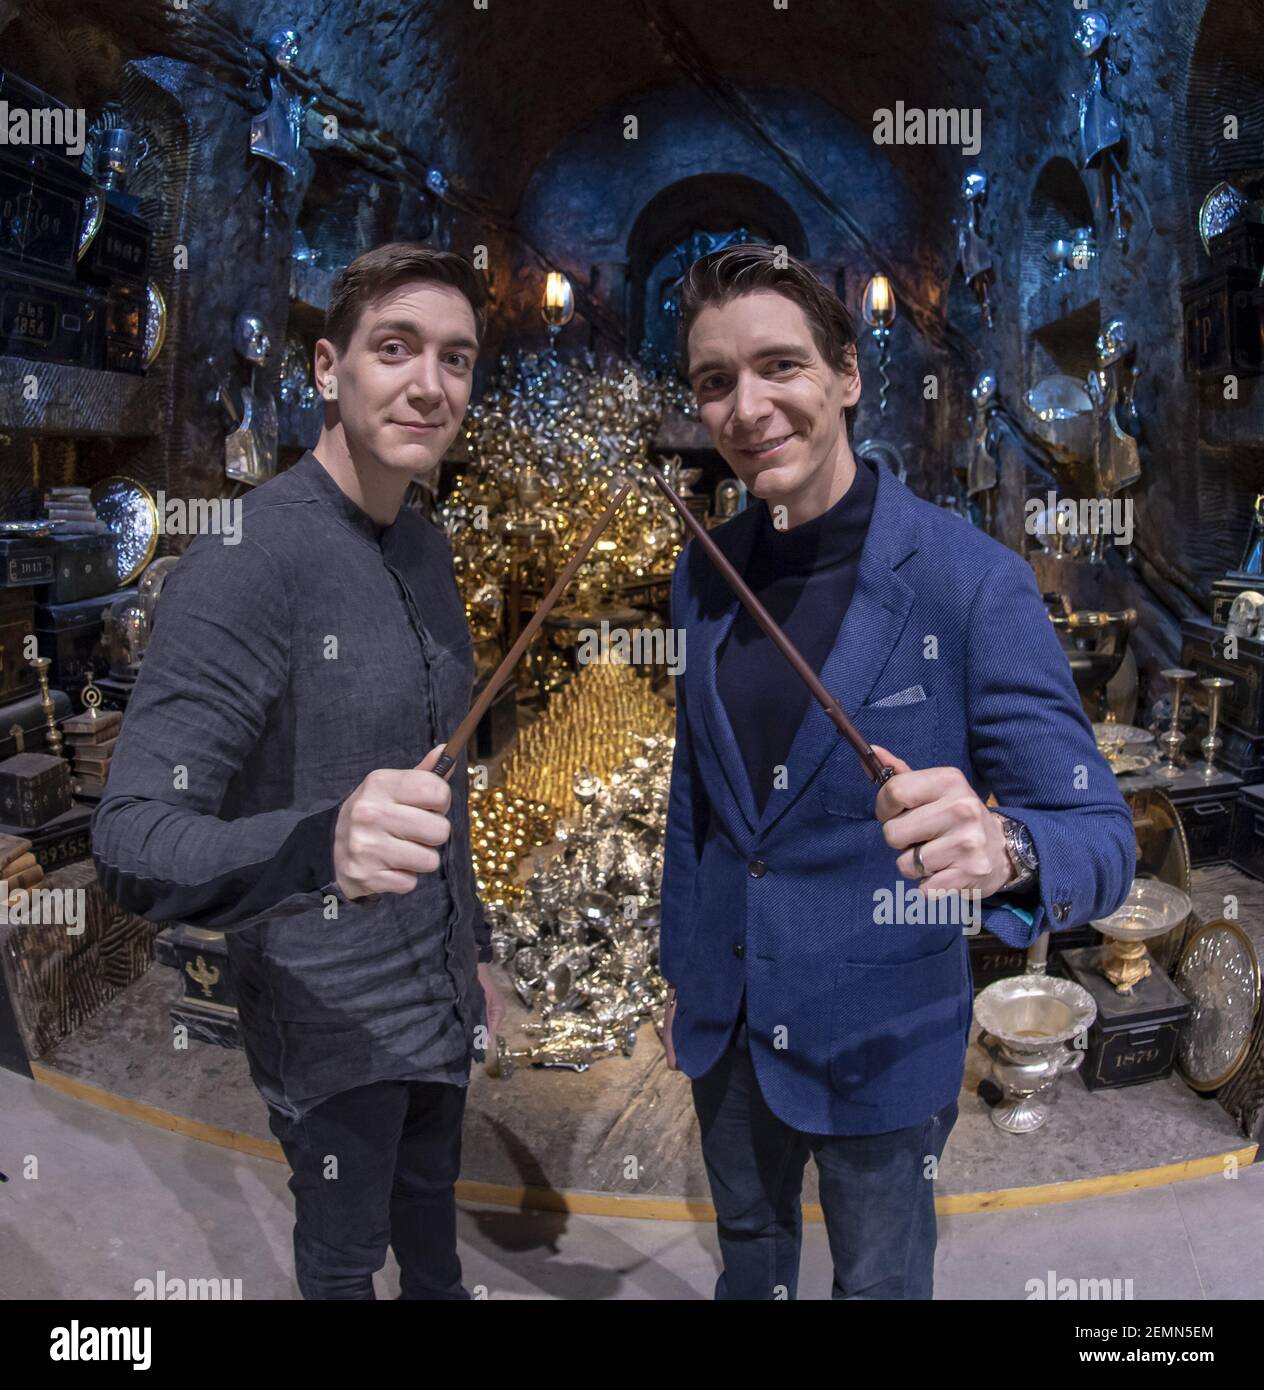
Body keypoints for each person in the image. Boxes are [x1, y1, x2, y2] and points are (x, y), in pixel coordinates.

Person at [658, 244, 1135, 1300]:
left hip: (880, 1038)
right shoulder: (704, 569)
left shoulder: (969, 584)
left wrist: (1004, 845)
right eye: (714, 381)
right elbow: (698, 797)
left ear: (846, 375)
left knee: (876, 1280)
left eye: (779, 366)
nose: (746, 407)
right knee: (751, 1258)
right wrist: (680, 965)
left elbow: (1102, 835)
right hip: (725, 1021)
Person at [91, 242, 506, 1300]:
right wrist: (322, 840)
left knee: (435, 1249)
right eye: (395, 349)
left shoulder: (425, 542)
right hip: (329, 1024)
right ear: (328, 368)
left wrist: (479, 947)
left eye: (455, 359)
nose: (429, 383)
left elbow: (439, 778)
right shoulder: (246, 557)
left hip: (437, 995)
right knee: (340, 1261)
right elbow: (131, 839)